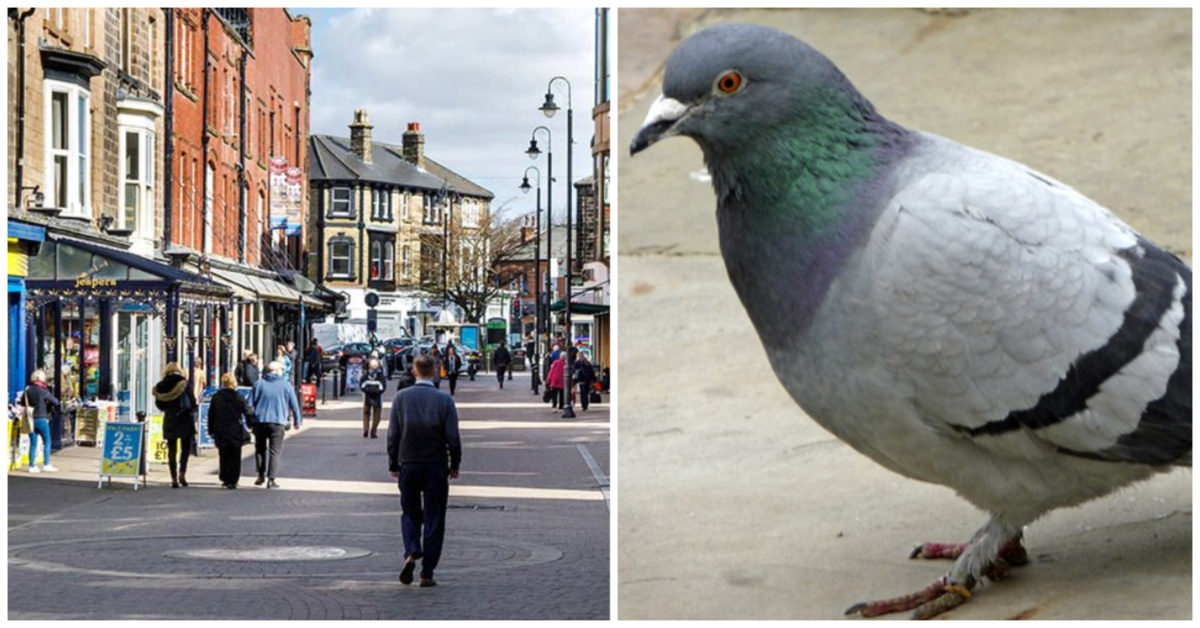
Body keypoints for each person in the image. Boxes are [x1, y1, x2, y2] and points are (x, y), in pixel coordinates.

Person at [387, 354, 462, 588]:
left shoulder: (401, 398)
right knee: (434, 517)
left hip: (409, 463)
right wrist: (455, 464)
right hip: (436, 465)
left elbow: (393, 435)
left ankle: (411, 549)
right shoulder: (444, 401)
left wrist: (393, 463)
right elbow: (453, 437)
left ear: (414, 372)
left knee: (409, 512)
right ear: (435, 372)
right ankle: (427, 572)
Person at [250, 360, 302, 489]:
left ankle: (260, 475)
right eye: (282, 370)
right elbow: (294, 405)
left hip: (260, 421)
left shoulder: (258, 384)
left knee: (260, 449)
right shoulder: (285, 385)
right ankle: (271, 479)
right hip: (277, 422)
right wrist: (297, 421)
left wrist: (249, 421)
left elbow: (249, 405)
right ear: (277, 371)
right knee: (275, 451)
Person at [153, 362, 197, 488]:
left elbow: (159, 404)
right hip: (184, 418)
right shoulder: (184, 383)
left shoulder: (161, 386)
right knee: (185, 448)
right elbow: (192, 401)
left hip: (170, 418)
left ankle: (173, 478)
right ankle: (182, 472)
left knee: (172, 450)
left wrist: (168, 408)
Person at [208, 373, 255, 489]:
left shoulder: (216, 397)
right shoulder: (238, 397)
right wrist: (251, 425)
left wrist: (211, 430)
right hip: (235, 429)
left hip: (220, 429)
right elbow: (247, 411)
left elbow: (211, 415)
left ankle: (224, 477)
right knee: (235, 455)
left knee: (223, 454)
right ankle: (233, 480)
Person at [20, 369, 60, 473]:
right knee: (47, 441)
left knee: (33, 443)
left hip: (30, 418)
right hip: (41, 418)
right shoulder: (43, 390)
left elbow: (22, 402)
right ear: (41, 378)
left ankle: (31, 466)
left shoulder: (27, 389)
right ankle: (46, 464)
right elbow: (55, 401)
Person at [360, 357, 388, 438]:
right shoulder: (380, 375)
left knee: (366, 413)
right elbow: (383, 387)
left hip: (367, 396)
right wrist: (377, 391)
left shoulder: (365, 375)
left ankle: (366, 429)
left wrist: (367, 390)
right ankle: (373, 430)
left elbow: (361, 385)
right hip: (377, 397)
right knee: (377, 415)